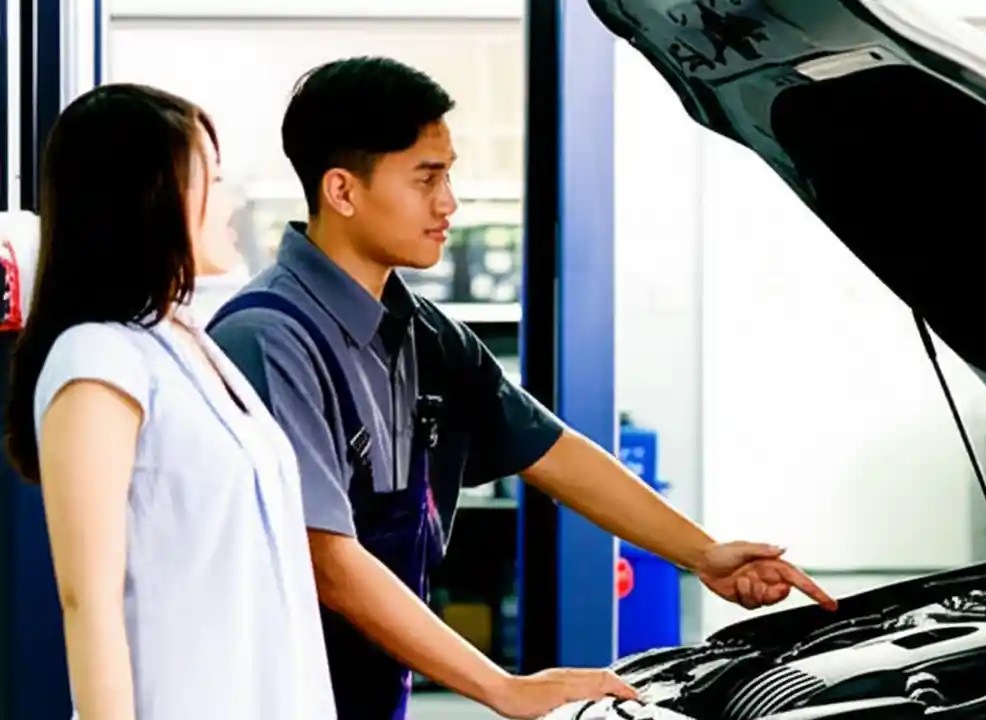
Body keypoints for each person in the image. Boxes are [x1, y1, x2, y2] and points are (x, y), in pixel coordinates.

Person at [208, 56, 838, 720]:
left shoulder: (425, 335)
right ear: (342, 190)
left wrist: (702, 552)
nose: (447, 203)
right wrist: (503, 686)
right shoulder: (268, 340)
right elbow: (326, 559)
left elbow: (550, 450)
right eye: (427, 179)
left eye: (447, 176)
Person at [4, 84, 336, 718]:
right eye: (210, 177)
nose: (231, 199)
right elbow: (87, 601)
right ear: (149, 196)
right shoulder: (95, 357)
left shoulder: (191, 342)